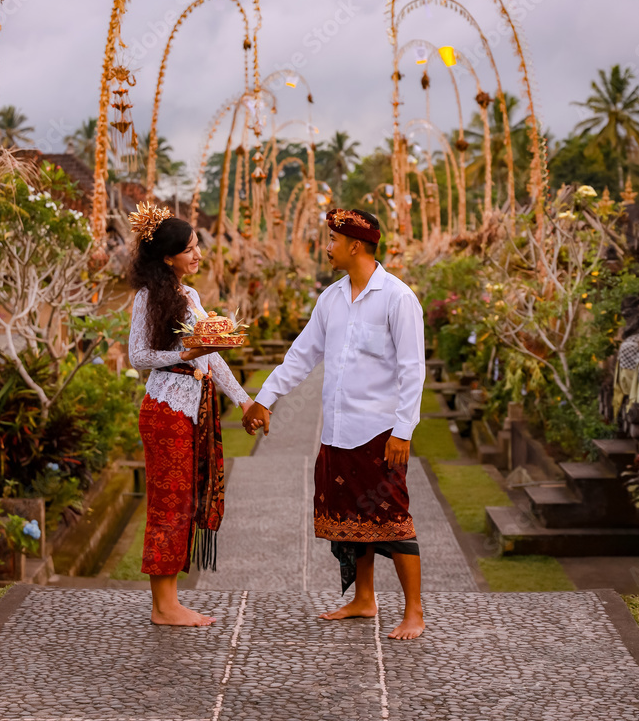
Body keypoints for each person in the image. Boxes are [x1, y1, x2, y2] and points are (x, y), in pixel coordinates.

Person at [242, 208, 426, 639]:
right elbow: (302, 354)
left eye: (333, 239)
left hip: (380, 431)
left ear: (355, 245)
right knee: (351, 518)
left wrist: (404, 429)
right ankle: (364, 600)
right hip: (337, 430)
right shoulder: (331, 298)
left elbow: (412, 369)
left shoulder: (398, 298)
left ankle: (414, 611)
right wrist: (265, 399)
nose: (327, 247)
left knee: (393, 517)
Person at [128, 202, 253, 626]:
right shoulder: (148, 297)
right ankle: (165, 607)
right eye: (189, 249)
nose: (198, 254)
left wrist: (245, 401)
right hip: (166, 410)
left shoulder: (190, 295)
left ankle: (169, 602)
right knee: (169, 502)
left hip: (191, 409)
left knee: (183, 501)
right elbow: (138, 356)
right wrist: (186, 353)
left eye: (198, 245)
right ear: (167, 257)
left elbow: (212, 359)